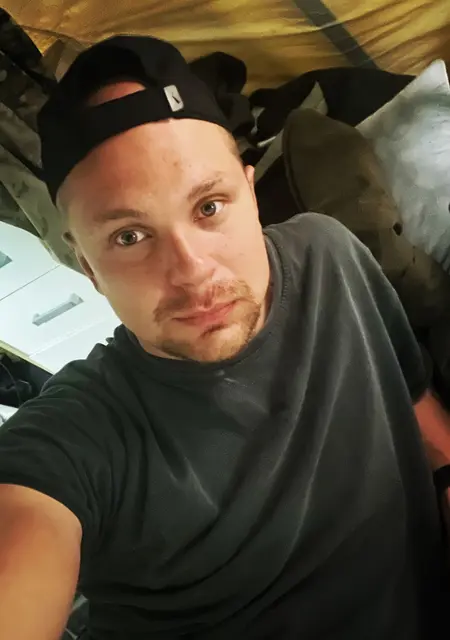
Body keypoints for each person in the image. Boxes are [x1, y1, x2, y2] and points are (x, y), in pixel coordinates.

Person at [0, 35, 449, 640]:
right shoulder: (77, 440)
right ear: (88, 268)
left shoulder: (329, 254)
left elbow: (414, 403)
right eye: (130, 237)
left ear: (251, 193)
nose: (192, 271)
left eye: (209, 206)